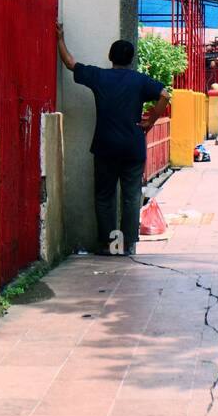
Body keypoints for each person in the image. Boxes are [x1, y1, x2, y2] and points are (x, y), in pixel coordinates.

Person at [57, 23, 170, 257]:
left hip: (105, 146)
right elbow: (164, 95)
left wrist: (60, 39)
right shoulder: (139, 80)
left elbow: (70, 63)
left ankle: (110, 245)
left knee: (105, 196)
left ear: (110, 57)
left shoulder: (99, 77)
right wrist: (149, 122)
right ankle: (127, 244)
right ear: (131, 59)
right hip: (132, 146)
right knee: (130, 197)